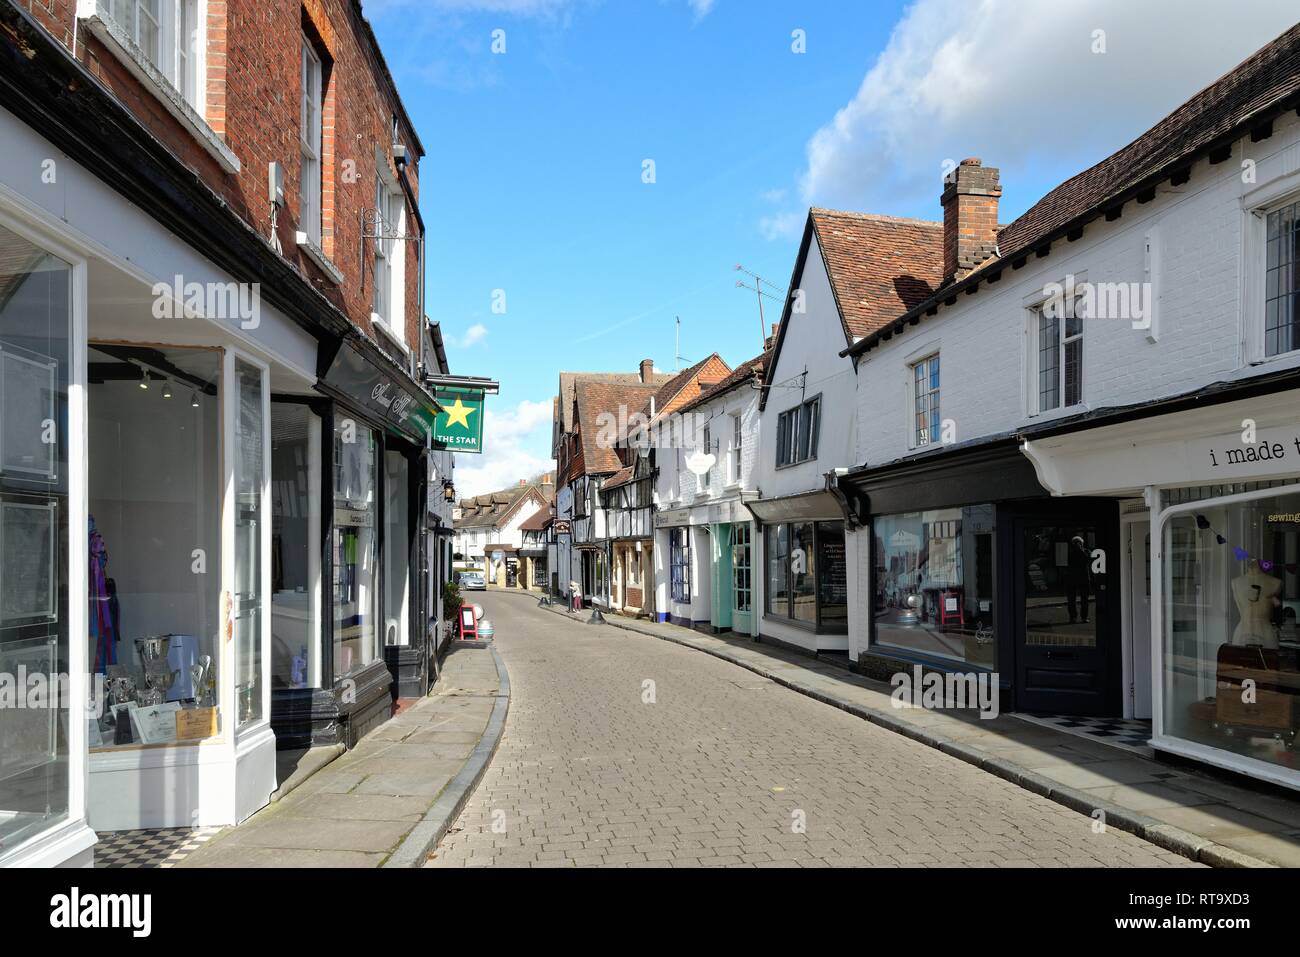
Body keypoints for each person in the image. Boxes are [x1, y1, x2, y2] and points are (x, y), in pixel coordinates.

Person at [1065, 533, 1091, 624]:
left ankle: (1084, 617)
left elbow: (1088, 560)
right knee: (1071, 599)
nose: (1077, 545)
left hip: (1083, 578)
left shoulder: (1086, 551)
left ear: (1082, 544)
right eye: (1075, 543)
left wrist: (1081, 550)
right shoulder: (1070, 553)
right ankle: (1073, 617)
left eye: (1079, 543)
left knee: (1085, 599)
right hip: (1072, 579)